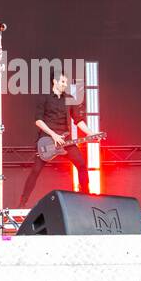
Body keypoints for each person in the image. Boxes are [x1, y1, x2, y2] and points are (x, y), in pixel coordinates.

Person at [17, 74, 95, 208]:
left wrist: (91, 133)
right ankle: (22, 204)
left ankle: (86, 197)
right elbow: (38, 120)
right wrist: (53, 135)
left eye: (66, 82)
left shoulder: (69, 99)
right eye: (63, 81)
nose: (65, 84)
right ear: (54, 81)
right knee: (35, 171)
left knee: (82, 165)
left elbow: (78, 120)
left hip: (66, 140)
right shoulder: (44, 97)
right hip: (47, 140)